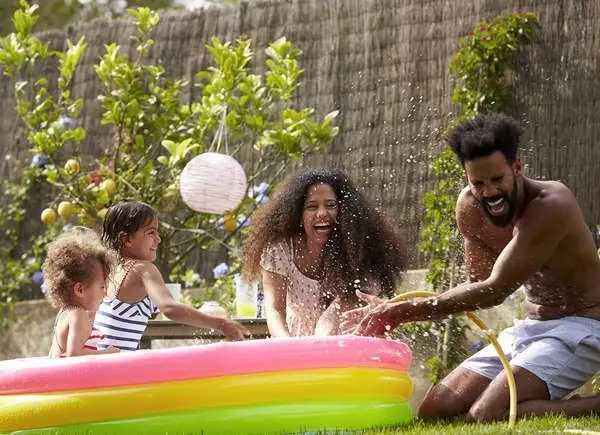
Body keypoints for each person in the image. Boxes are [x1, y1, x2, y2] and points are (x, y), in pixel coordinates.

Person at [343, 113, 600, 420]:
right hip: (532, 327)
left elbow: (494, 291)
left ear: (517, 167)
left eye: (497, 180)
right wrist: (397, 307)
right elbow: (477, 283)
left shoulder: (551, 205)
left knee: (486, 413)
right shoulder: (470, 207)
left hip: (583, 326)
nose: (489, 192)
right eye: (478, 183)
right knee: (435, 411)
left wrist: (402, 312)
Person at [241, 168, 406, 337]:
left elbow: (330, 325)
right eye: (312, 206)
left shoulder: (361, 249)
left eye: (331, 205)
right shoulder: (280, 249)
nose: (322, 213)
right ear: (298, 215)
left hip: (346, 345)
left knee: (327, 329)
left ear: (345, 212)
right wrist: (289, 347)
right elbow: (275, 309)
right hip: (294, 343)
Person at [94, 200, 249, 351]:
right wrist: (221, 324)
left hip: (98, 362)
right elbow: (169, 308)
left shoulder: (110, 269)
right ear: (126, 239)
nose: (158, 239)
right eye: (151, 232)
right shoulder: (143, 269)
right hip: (116, 368)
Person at [44, 227, 120, 358]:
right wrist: (106, 353)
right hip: (67, 378)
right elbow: (74, 355)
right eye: (102, 287)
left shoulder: (66, 312)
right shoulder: (78, 315)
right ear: (80, 290)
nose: (105, 292)